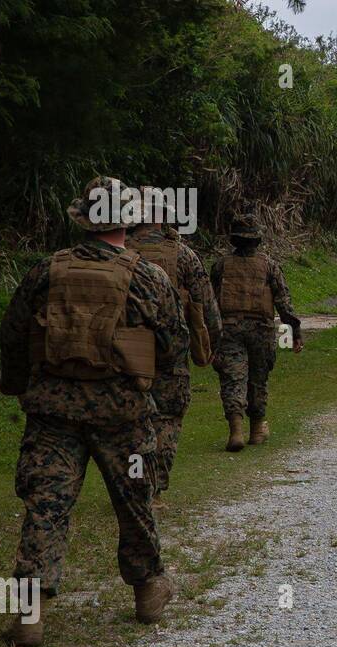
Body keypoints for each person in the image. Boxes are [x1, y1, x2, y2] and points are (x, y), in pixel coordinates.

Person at [0, 176, 187, 646]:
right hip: (122, 415)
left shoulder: (46, 271)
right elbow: (173, 345)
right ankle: (147, 590)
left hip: (52, 413)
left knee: (47, 506)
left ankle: (29, 614)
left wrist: (20, 388)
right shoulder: (148, 276)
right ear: (128, 220)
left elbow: (14, 332)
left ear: (83, 219)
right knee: (133, 500)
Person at [126, 189, 220, 509]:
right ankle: (154, 489)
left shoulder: (118, 252)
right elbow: (206, 304)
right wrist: (213, 343)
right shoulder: (182, 254)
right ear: (160, 215)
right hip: (170, 352)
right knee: (167, 417)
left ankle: (135, 483)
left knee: (132, 419)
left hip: (124, 351)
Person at [210, 213, 303, 451]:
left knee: (233, 379)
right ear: (257, 239)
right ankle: (257, 430)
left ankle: (236, 431)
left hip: (229, 329)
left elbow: (209, 301)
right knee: (258, 380)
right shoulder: (269, 266)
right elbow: (283, 302)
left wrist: (208, 335)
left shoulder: (221, 265)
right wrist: (294, 331)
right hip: (261, 330)